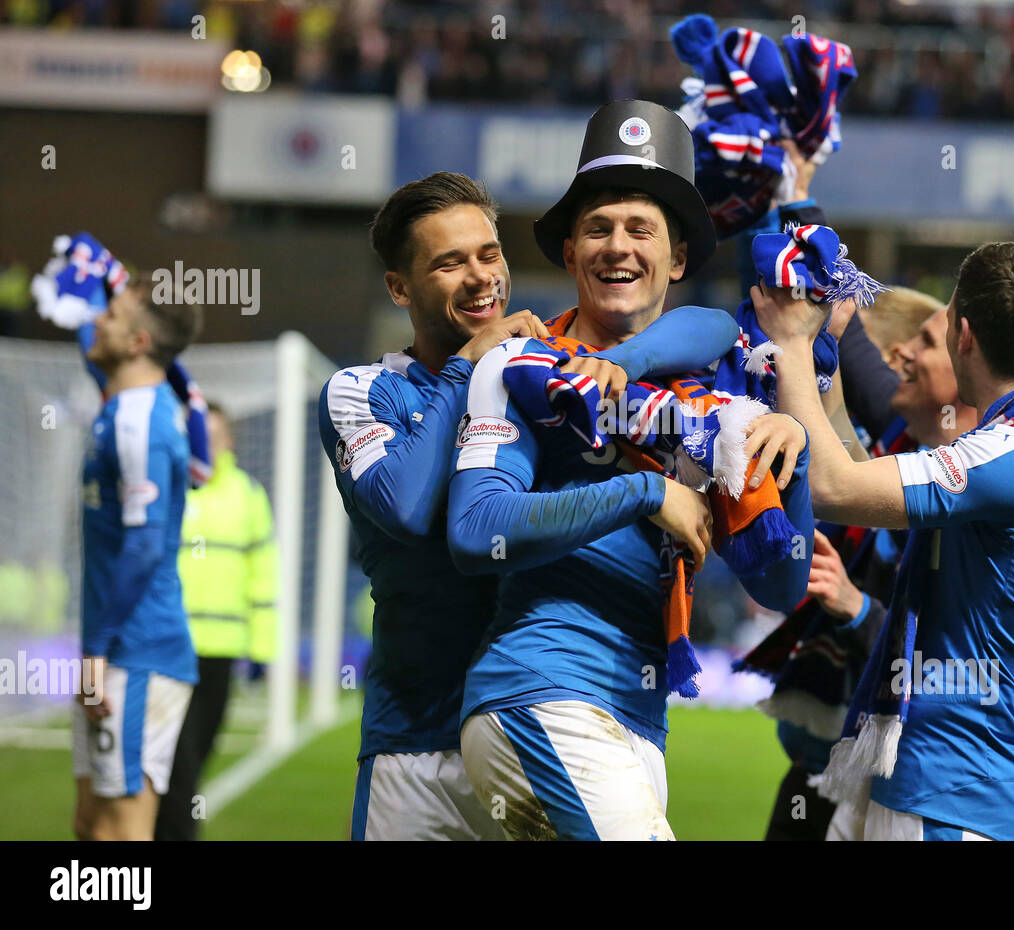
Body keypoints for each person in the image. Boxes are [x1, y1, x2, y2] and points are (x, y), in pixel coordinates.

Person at [320, 170, 739, 840]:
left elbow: (711, 325)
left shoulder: (537, 369)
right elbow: (403, 508)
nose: (481, 278)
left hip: (549, 710)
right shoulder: (362, 392)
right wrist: (468, 369)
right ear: (400, 287)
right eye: (449, 263)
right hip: (418, 750)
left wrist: (626, 361)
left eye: (490, 255)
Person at [448, 100, 812, 840]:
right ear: (570, 253)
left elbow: (780, 583)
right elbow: (475, 530)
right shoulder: (520, 370)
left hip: (639, 723)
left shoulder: (714, 406)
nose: (619, 246)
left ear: (676, 260)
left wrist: (790, 453)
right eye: (598, 228)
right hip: (543, 693)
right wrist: (647, 492)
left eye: (640, 229)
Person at [755, 240, 1014, 841]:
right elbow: (857, 470)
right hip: (921, 778)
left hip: (956, 798)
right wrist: (818, 367)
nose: (907, 354)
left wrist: (792, 343)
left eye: (934, 335)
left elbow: (834, 484)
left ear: (965, 337)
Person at [73, 280, 202, 841]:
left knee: (120, 834)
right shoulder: (122, 403)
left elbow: (145, 545)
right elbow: (89, 338)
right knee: (90, 825)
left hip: (136, 650)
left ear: (138, 341)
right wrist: (96, 274)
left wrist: (98, 649)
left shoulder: (139, 420)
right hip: (117, 649)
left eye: (114, 315)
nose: (98, 321)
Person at [155, 402, 279, 841]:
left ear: (228, 440)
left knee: (196, 757)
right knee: (178, 762)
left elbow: (263, 574)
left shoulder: (247, 495)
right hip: (169, 650)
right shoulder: (166, 489)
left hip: (223, 651)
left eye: (214, 433)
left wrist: (262, 650)